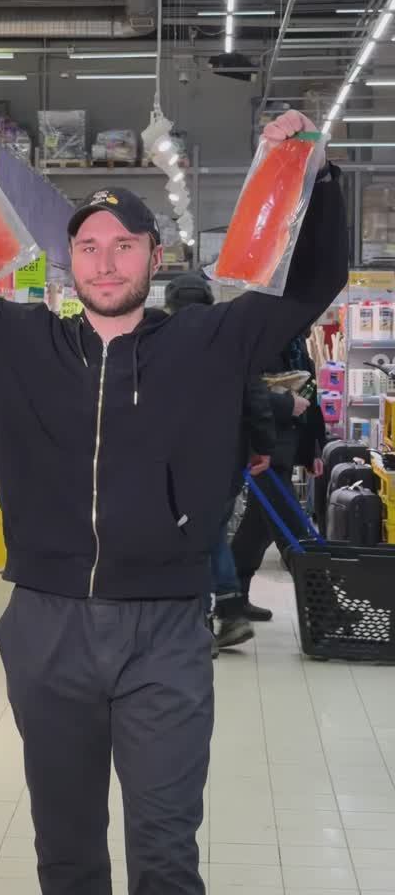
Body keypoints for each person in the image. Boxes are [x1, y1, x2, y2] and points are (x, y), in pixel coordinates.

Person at [0, 103, 347, 895]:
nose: (106, 263)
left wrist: (318, 168)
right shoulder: (18, 342)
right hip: (47, 625)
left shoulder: (207, 343)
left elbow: (312, 281)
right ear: (69, 262)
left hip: (165, 631)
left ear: (153, 257)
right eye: (90, 247)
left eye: (124, 246)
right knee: (67, 853)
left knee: (165, 855)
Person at [164, 272, 277, 653]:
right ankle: (228, 612)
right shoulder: (233, 342)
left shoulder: (159, 341)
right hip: (226, 457)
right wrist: (263, 446)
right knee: (213, 533)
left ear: (171, 305)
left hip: (176, 460)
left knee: (192, 538)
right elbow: (255, 396)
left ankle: (203, 621)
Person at [231, 332, 326, 621]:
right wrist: (285, 404)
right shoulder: (258, 339)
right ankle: (324, 610)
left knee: (256, 530)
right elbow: (239, 392)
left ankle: (231, 600)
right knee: (294, 531)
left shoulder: (296, 341)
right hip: (262, 452)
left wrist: (312, 449)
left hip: (284, 448)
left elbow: (310, 393)